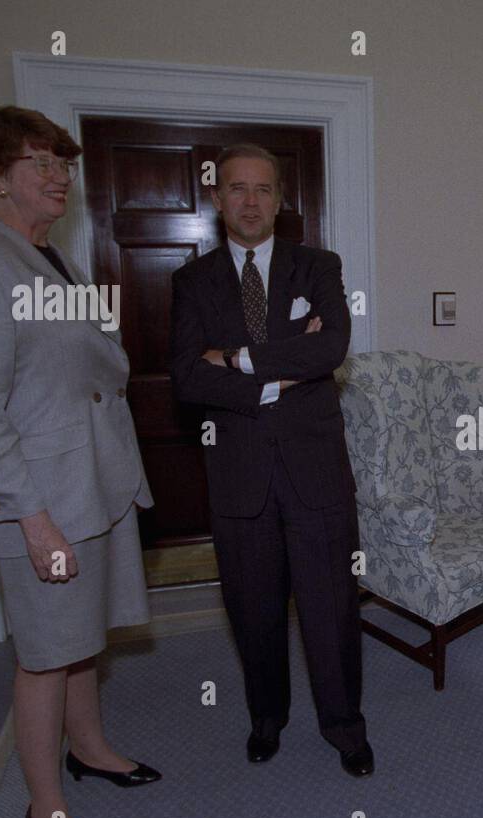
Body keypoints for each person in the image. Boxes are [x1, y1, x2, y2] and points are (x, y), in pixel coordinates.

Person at [0, 106, 160, 818]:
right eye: (40, 163)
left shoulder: (54, 259)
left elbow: (93, 367)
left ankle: (89, 749)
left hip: (95, 482)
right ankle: (44, 808)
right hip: (43, 499)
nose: (60, 177)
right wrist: (34, 520)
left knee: (82, 639)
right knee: (44, 654)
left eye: (64, 163)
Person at [168, 143, 372, 776]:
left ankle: (344, 726)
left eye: (262, 189)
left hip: (316, 473)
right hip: (238, 476)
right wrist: (281, 370)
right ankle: (266, 719)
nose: (249, 201)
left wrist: (236, 360)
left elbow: (331, 349)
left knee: (331, 608)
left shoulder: (318, 266)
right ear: (216, 197)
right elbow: (183, 377)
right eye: (236, 188)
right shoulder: (192, 281)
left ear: (281, 200)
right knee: (253, 611)